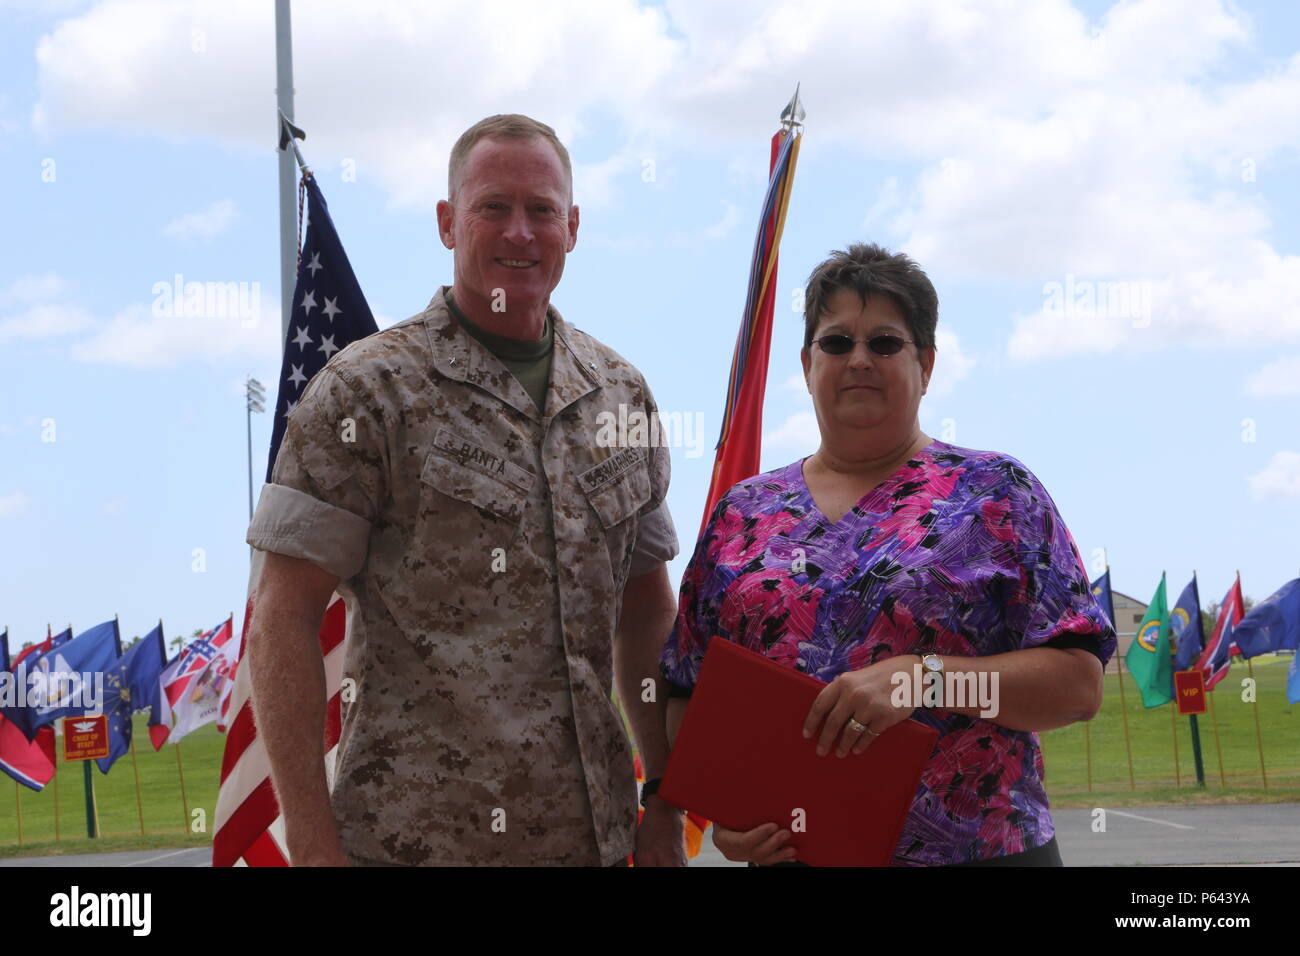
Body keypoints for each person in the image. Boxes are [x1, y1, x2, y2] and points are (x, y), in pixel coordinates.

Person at [246, 114, 687, 866]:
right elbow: (281, 622)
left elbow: (645, 608)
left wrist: (663, 803)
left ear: (572, 227)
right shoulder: (366, 393)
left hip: (598, 841)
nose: (520, 231)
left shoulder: (622, 396)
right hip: (418, 846)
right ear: (449, 223)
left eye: (541, 209)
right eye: (493, 207)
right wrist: (315, 851)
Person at [659, 242, 1116, 866]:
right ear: (806, 363)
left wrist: (923, 678)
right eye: (837, 342)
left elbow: (1077, 687)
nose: (860, 360)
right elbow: (688, 686)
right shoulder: (744, 515)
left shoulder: (997, 494)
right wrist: (726, 809)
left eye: (885, 342)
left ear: (925, 364)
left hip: (980, 854)